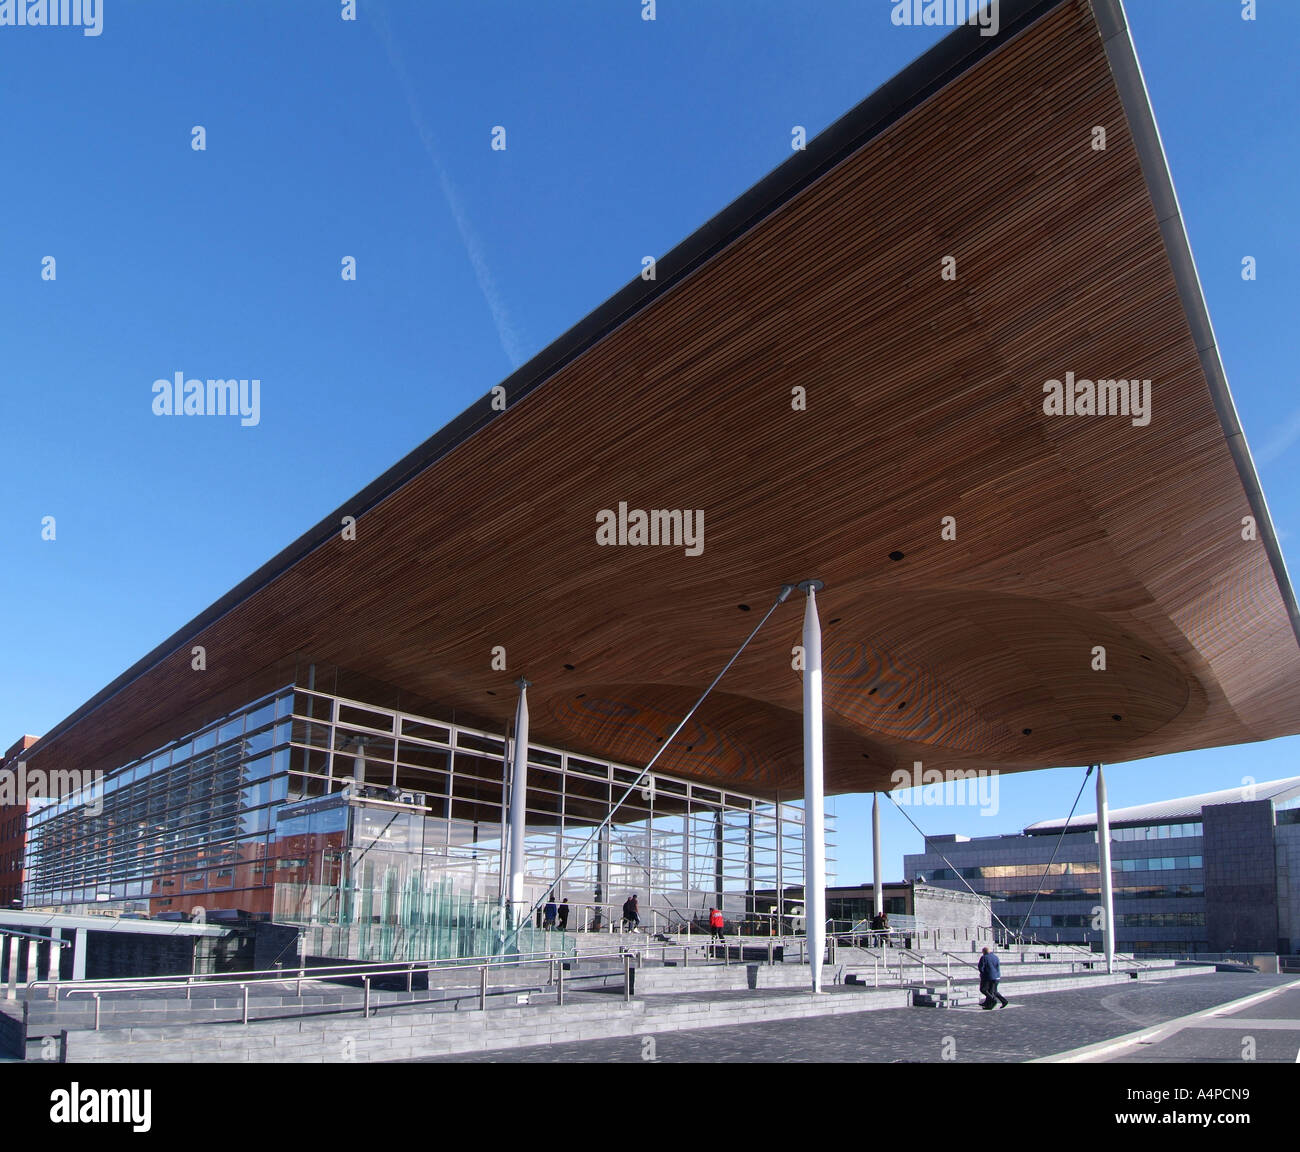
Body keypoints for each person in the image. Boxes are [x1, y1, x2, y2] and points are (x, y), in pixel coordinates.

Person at [978, 945, 1009, 1009]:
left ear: (984, 952)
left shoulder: (984, 957)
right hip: (996, 976)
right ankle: (1003, 1001)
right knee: (993, 991)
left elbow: (981, 967)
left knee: (983, 989)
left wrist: (982, 973)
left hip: (988, 976)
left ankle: (993, 1000)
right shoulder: (995, 957)